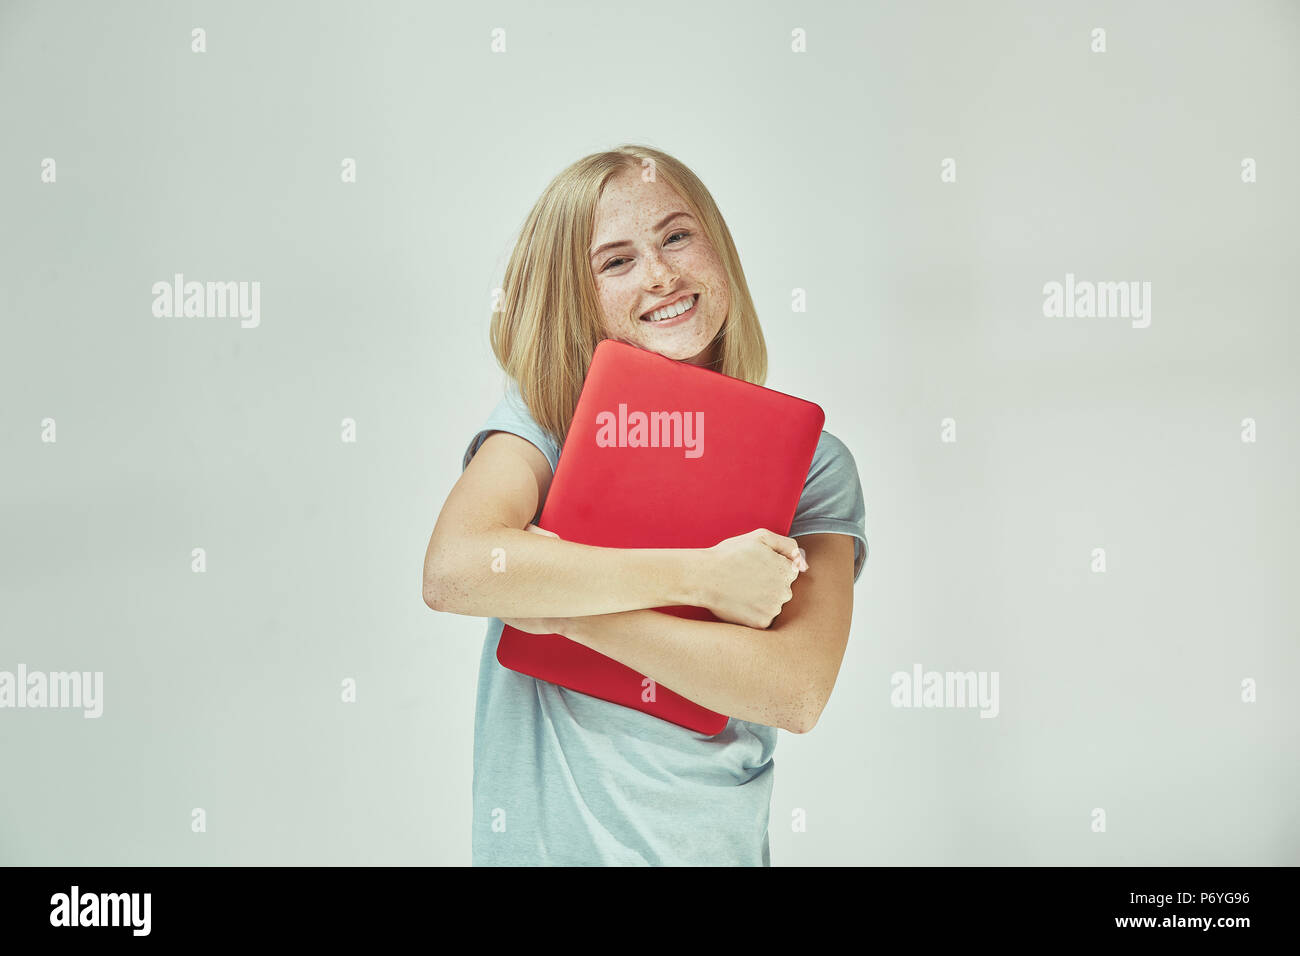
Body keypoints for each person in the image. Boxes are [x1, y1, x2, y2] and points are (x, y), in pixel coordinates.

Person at [422, 144, 868, 865]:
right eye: (616, 261)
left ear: (718, 249)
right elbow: (457, 570)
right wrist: (699, 578)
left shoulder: (814, 465)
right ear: (578, 293)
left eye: (677, 235)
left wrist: (555, 609)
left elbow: (795, 691)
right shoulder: (545, 423)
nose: (661, 274)